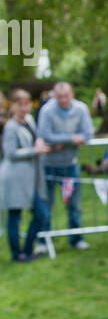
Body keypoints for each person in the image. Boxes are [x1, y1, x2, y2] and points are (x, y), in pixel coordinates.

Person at [36, 81, 93, 250]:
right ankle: (43, 240)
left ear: (72, 94)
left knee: (74, 204)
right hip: (48, 164)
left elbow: (88, 133)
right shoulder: (47, 111)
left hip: (70, 164)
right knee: (46, 203)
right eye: (59, 96)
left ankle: (76, 238)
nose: (63, 100)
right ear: (54, 96)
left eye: (66, 96)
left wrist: (62, 140)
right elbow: (44, 134)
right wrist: (70, 139)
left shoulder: (81, 109)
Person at [0, 86, 51, 262]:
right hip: (14, 178)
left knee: (41, 214)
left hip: (30, 178)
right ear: (12, 105)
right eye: (19, 104)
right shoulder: (10, 127)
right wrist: (34, 151)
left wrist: (39, 143)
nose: (24, 108)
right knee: (15, 215)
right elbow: (11, 153)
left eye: (26, 103)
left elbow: (35, 138)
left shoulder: (29, 120)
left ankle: (27, 249)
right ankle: (17, 254)